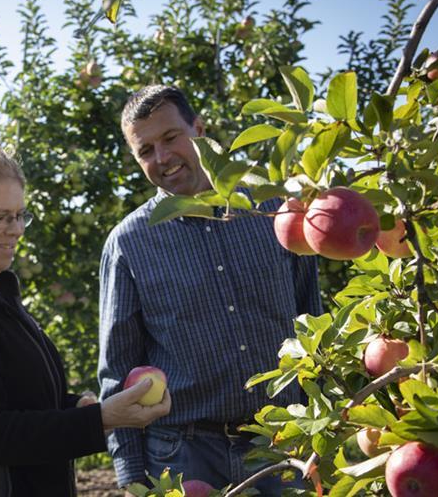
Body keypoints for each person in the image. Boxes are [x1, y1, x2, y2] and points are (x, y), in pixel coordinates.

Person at [0, 139, 171, 497]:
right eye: (0, 218)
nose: (17, 229)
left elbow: (11, 396)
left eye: (20, 215)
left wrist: (74, 408)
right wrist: (101, 419)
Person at [98, 85, 322, 494]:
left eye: (171, 137)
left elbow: (312, 316)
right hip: (185, 453)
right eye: (145, 150)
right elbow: (119, 368)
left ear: (199, 130)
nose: (162, 157)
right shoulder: (129, 243)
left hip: (282, 441)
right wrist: (130, 475)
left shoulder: (273, 210)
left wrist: (326, 426)